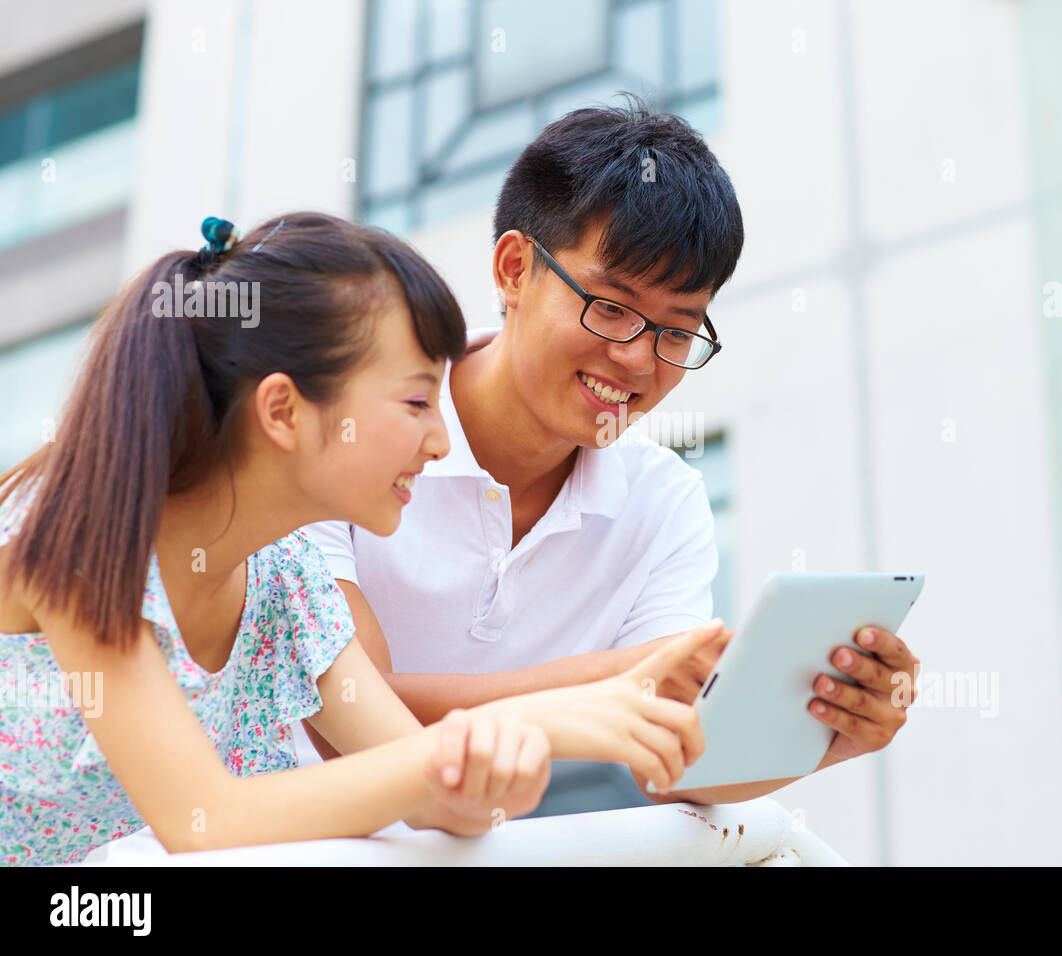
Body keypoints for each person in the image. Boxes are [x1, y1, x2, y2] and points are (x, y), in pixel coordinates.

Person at [0, 211, 716, 865]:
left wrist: (482, 773)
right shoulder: (73, 533)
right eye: (414, 402)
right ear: (283, 410)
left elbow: (423, 787)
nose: (439, 442)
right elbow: (203, 816)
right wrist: (551, 719)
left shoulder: (292, 581)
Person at [303, 97, 921, 810]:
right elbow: (344, 713)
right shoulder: (355, 419)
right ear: (513, 269)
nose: (635, 359)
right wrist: (618, 682)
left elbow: (675, 762)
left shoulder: (663, 503)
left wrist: (823, 732)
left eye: (676, 331)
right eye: (612, 308)